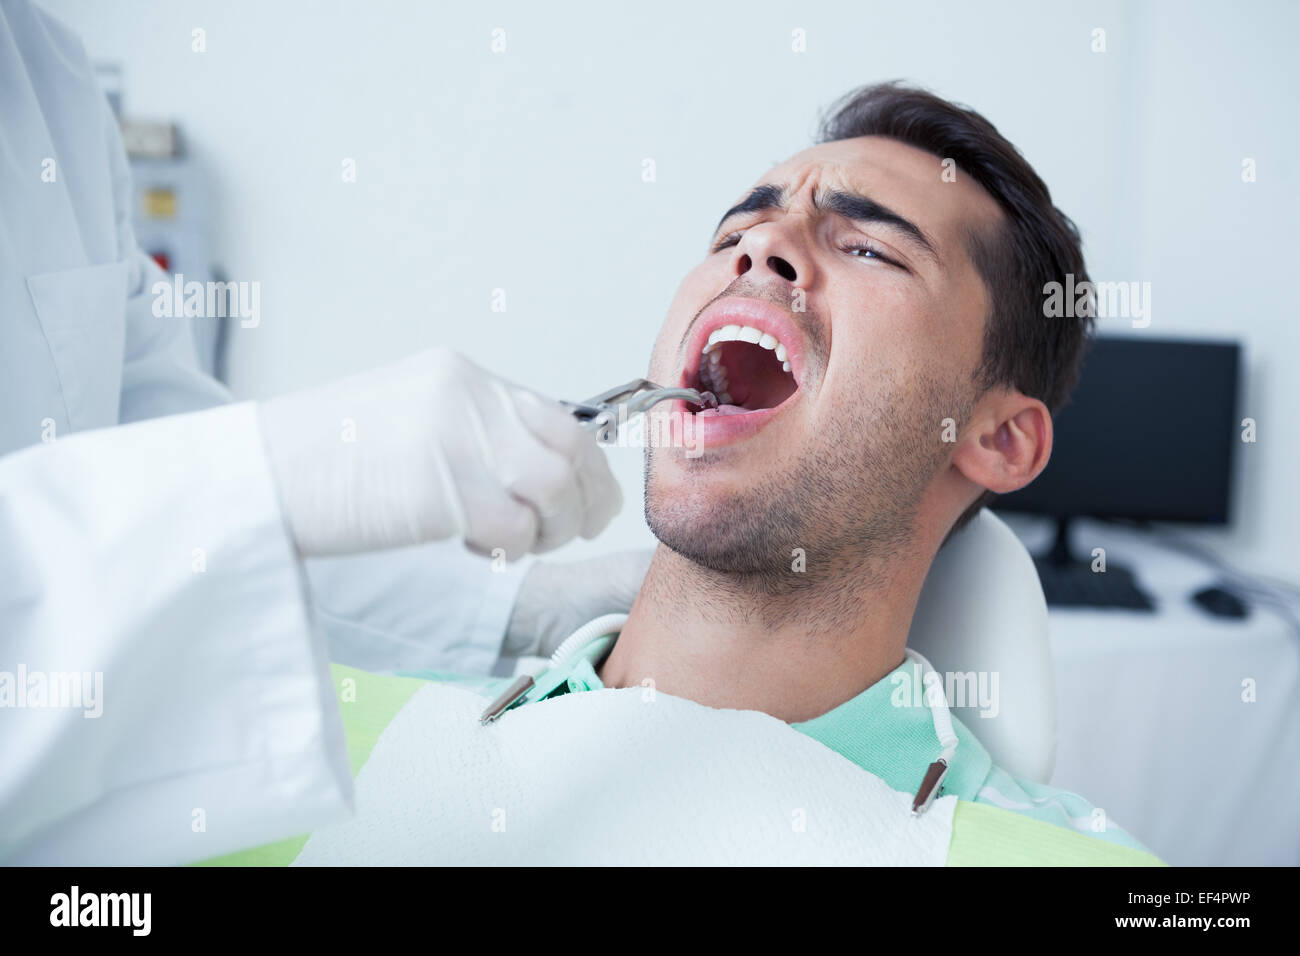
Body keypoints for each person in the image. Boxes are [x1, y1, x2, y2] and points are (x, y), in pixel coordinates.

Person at [20, 81, 1159, 866]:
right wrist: (260, 481)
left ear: (1000, 439)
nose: (761, 249)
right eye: (735, 232)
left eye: (865, 245)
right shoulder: (269, 751)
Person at [0, 0, 646, 680]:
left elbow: (193, 526)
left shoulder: (53, 83)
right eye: (733, 229)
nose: (757, 251)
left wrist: (525, 603)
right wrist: (273, 472)